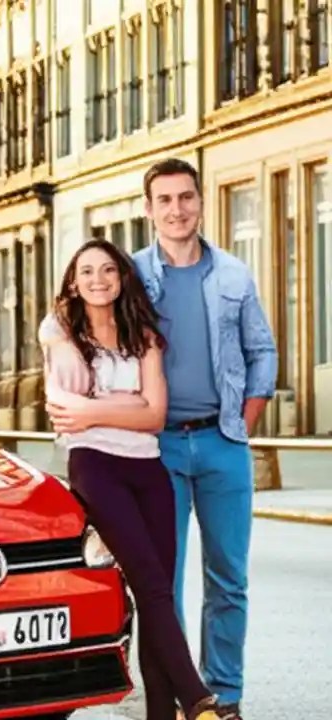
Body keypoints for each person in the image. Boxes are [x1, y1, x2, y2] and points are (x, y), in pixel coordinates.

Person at [40, 239, 224, 720]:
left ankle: (164, 713)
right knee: (152, 587)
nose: (98, 279)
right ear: (73, 283)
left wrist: (97, 409)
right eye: (86, 271)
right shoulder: (61, 333)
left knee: (155, 594)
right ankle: (200, 701)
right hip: (96, 466)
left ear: (122, 278)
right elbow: (64, 410)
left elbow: (155, 415)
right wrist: (127, 404)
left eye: (108, 270)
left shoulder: (144, 336)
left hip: (148, 469)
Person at [131, 159, 271, 719]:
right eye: (165, 200)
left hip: (222, 443)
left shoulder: (234, 274)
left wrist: (243, 423)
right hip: (156, 449)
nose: (177, 210)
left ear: (200, 201)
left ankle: (226, 697)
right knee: (163, 584)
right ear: (149, 209)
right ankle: (184, 696)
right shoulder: (130, 276)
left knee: (229, 579)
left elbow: (262, 351)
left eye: (186, 197)